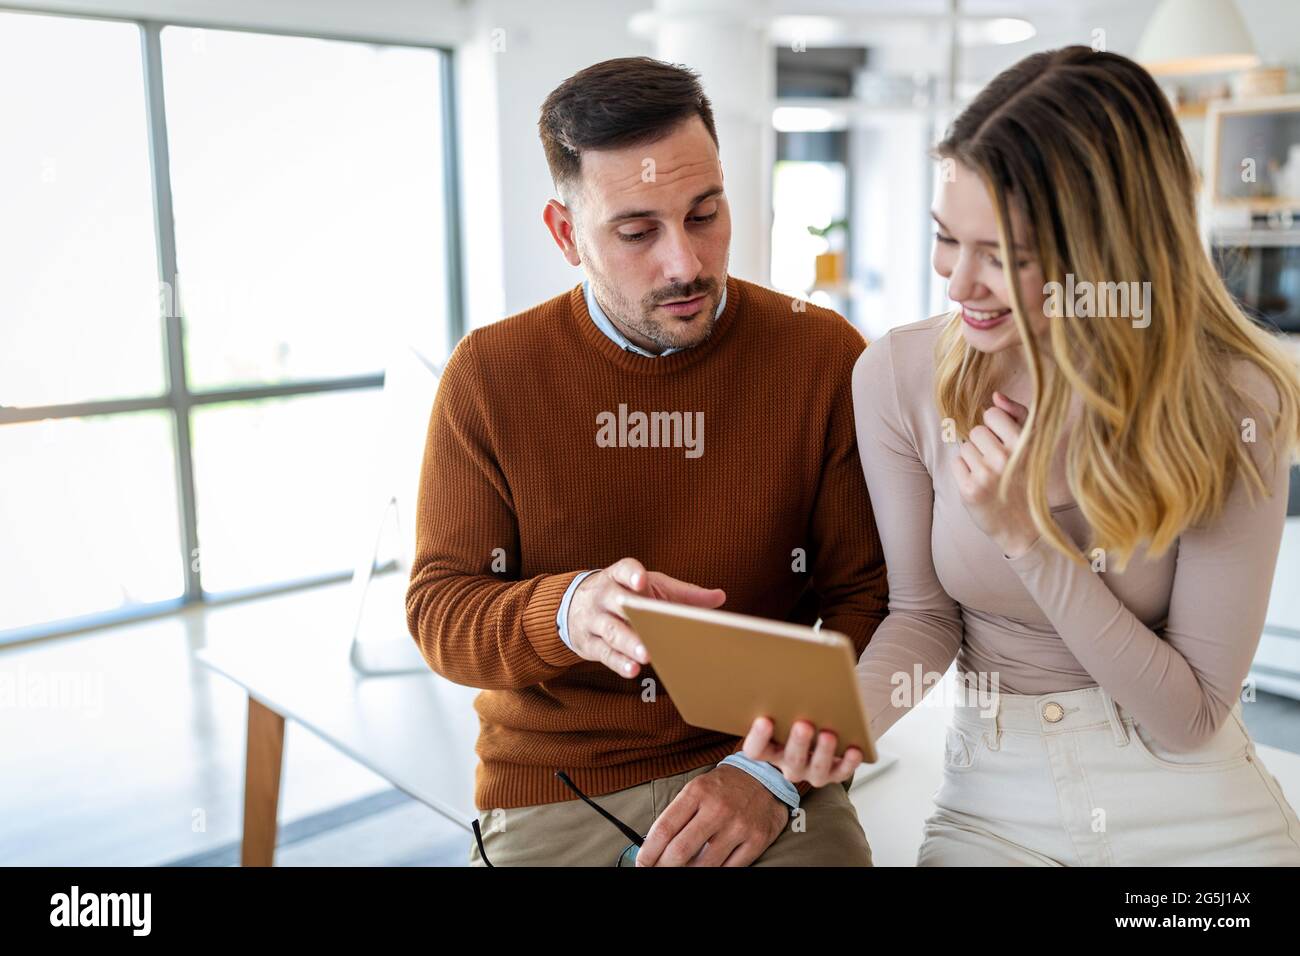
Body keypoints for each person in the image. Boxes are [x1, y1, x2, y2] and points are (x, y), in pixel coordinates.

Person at [744, 46, 1300, 865]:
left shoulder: (1233, 401)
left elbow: (1190, 715)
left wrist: (1028, 539)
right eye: (946, 240)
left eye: (1004, 256)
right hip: (995, 795)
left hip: (1192, 801)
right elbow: (924, 617)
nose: (959, 282)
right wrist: (837, 721)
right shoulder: (897, 376)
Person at [405, 56, 887, 867]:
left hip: (762, 761)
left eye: (705, 214)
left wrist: (766, 775)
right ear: (565, 234)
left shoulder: (820, 356)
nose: (685, 265)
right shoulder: (489, 376)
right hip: (557, 783)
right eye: (637, 232)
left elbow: (865, 598)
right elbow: (440, 613)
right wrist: (569, 611)